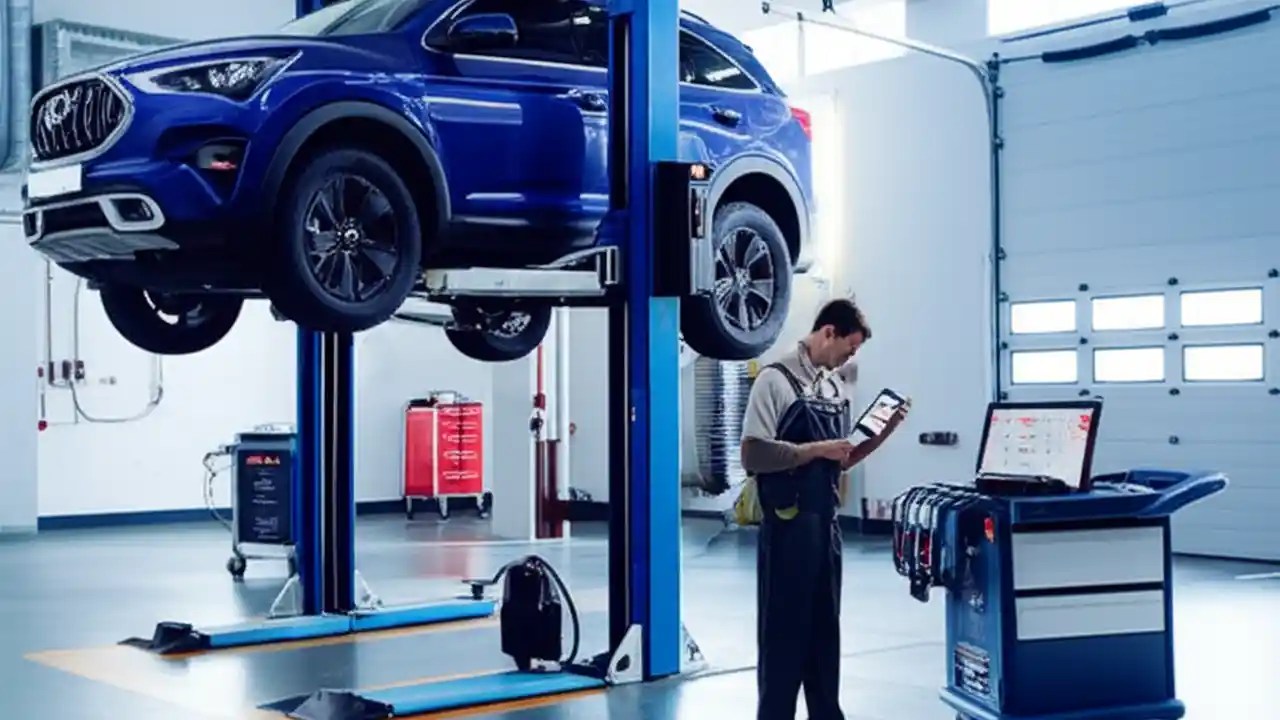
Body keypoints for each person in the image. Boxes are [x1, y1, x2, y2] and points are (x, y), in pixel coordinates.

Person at [739, 298, 910, 720]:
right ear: (827, 332)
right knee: (783, 635)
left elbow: (843, 459)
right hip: (787, 527)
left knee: (823, 633)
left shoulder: (832, 389)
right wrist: (816, 449)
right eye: (848, 349)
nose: (848, 359)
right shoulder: (774, 381)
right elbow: (753, 455)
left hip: (825, 529)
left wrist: (881, 432)